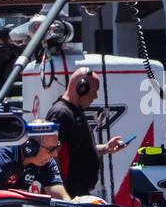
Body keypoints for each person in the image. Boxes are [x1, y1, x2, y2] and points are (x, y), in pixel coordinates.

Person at [45, 66, 124, 198]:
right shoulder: (60, 114)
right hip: (69, 196)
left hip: (79, 194)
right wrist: (63, 199)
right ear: (82, 88)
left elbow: (78, 150)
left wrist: (105, 148)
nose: (96, 96)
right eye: (94, 91)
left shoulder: (75, 112)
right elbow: (52, 157)